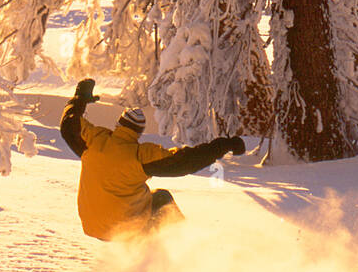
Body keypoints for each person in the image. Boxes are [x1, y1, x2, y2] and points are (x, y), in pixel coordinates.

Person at [59, 78, 246, 241]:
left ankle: (144, 255)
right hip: (125, 228)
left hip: (92, 226)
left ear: (119, 125)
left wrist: (80, 98)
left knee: (149, 199)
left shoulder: (92, 141)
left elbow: (69, 122)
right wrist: (222, 145)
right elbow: (186, 160)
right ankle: (184, 247)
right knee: (162, 199)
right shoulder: (140, 156)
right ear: (138, 132)